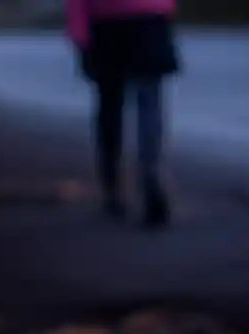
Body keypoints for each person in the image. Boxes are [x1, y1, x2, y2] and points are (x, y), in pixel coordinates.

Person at [67, 0, 180, 226]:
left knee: (111, 107)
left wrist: (78, 31)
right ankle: (149, 177)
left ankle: (114, 186)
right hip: (147, 15)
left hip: (108, 19)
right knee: (148, 103)